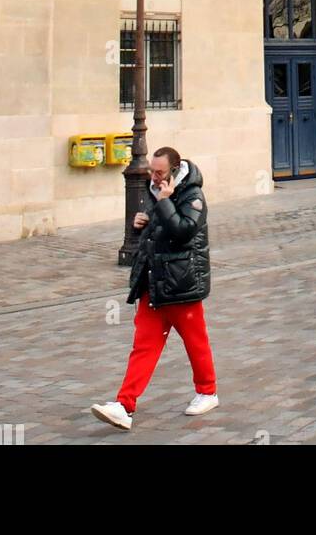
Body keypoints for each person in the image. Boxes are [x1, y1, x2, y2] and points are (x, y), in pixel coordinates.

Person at [92, 147, 217, 431]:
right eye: (151, 170)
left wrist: (163, 203)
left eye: (159, 172)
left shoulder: (193, 196)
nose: (153, 176)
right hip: (154, 283)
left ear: (174, 171)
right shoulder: (156, 191)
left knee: (195, 341)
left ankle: (208, 391)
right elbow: (157, 234)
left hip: (181, 283)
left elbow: (183, 232)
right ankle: (124, 405)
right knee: (144, 346)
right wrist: (140, 226)